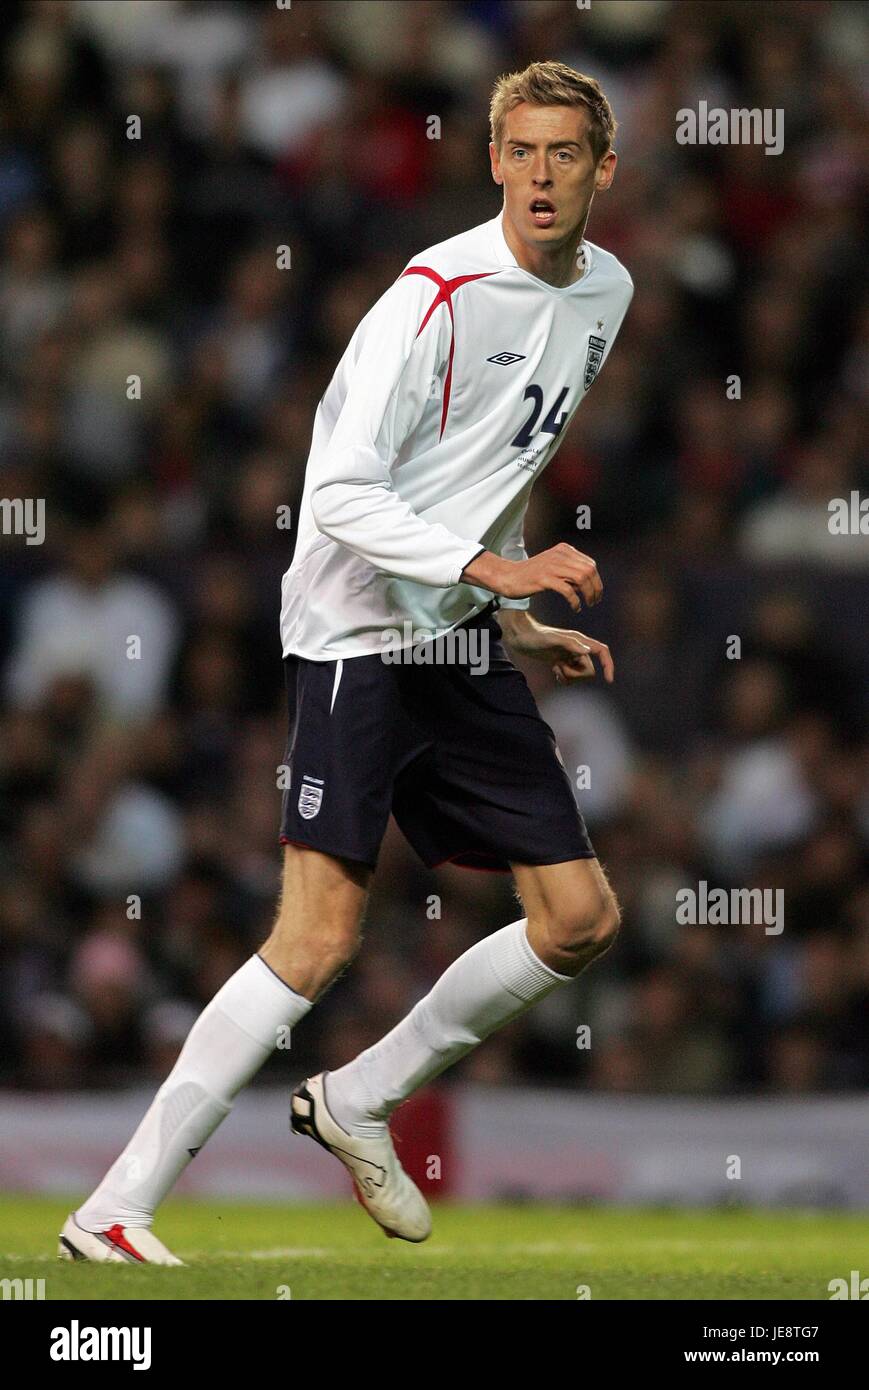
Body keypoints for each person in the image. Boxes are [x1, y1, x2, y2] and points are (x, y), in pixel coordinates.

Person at [60, 60, 634, 1264]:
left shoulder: (606, 293)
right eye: (518, 152)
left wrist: (511, 603)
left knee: (577, 917)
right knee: (317, 938)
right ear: (490, 162)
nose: (539, 175)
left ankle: (358, 1096)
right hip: (356, 630)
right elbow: (337, 495)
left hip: (459, 626)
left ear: (601, 170)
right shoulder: (434, 294)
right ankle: (116, 1203)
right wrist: (499, 577)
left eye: (563, 155)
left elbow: (493, 467)